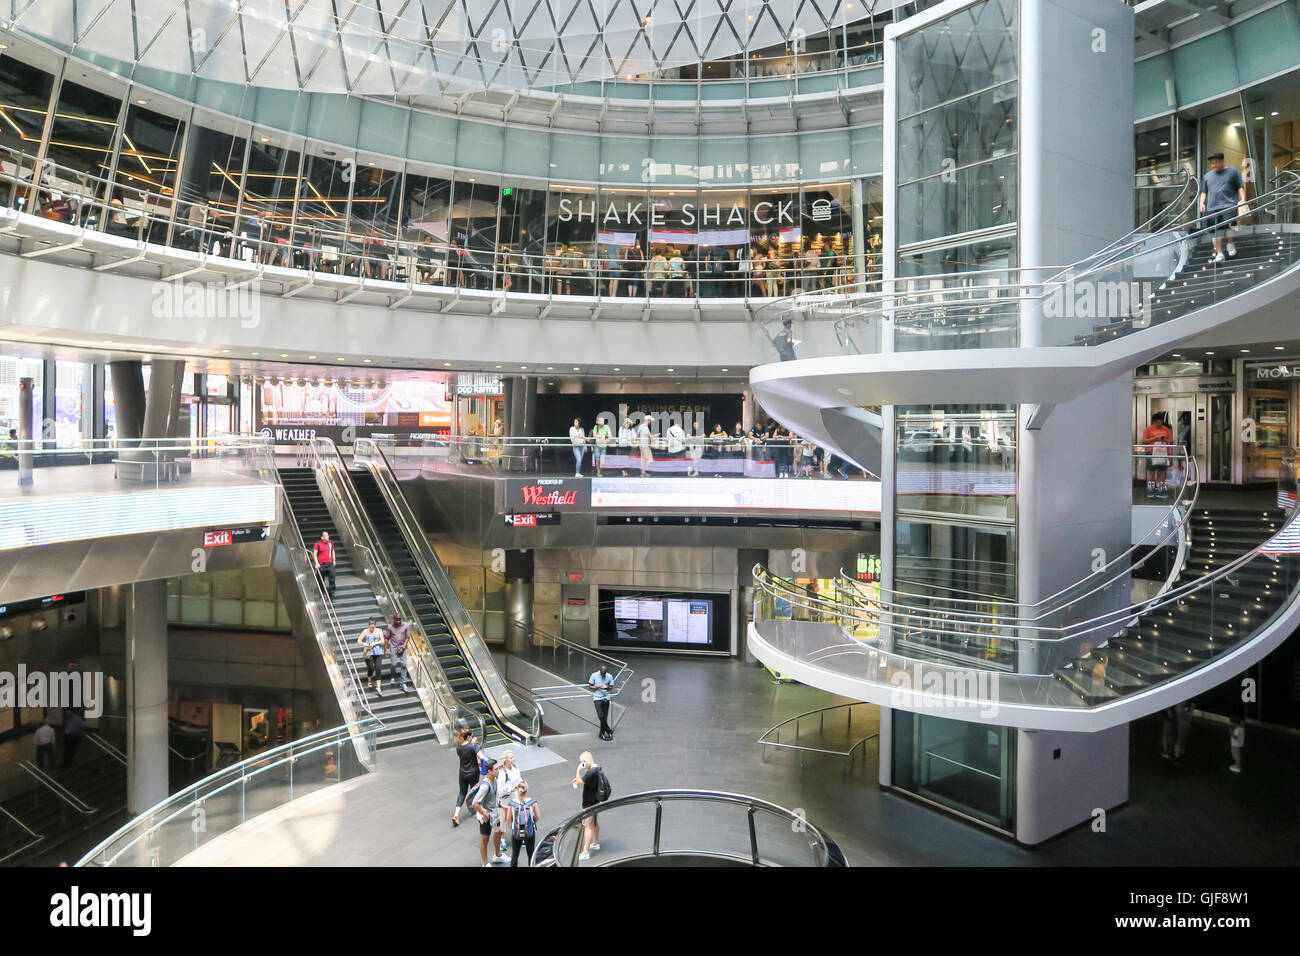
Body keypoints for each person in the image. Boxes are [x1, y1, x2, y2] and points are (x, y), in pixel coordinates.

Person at [1198, 152, 1247, 263]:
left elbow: (1240, 186)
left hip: (1229, 205)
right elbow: (1204, 192)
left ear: (1222, 161)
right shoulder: (1207, 176)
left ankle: (1230, 243)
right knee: (1214, 231)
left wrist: (1243, 200)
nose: (1214, 165)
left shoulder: (1233, 172)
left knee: (1229, 226)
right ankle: (1219, 253)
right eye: (1212, 163)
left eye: (1216, 162)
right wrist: (1202, 203)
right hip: (1212, 208)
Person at [469, 758, 509, 866]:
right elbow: (475, 803)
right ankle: (485, 863)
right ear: (489, 771)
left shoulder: (494, 779)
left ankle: (498, 855)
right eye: (496, 769)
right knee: (485, 840)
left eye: (498, 768)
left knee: (499, 831)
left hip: (495, 812)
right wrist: (484, 814)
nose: (498, 770)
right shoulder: (485, 786)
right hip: (486, 816)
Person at [571, 750, 607, 861]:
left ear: (589, 760)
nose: (583, 764)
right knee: (594, 822)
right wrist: (579, 780)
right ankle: (595, 842)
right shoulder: (596, 768)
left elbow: (580, 781)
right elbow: (583, 781)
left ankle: (585, 851)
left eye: (584, 761)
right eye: (581, 762)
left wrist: (578, 770)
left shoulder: (591, 773)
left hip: (589, 802)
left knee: (587, 826)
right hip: (595, 800)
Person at [451, 727, 483, 827]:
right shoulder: (472, 746)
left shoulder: (458, 747)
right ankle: (474, 812)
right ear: (469, 737)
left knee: (462, 793)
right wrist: (474, 744)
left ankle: (456, 814)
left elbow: (466, 749)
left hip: (462, 773)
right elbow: (481, 757)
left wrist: (472, 743)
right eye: (472, 736)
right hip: (473, 772)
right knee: (474, 792)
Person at [1140, 412, 1174, 499]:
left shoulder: (1166, 429)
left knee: (1162, 473)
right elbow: (1143, 441)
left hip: (1163, 453)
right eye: (1157, 422)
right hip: (1151, 453)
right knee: (1151, 473)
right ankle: (1150, 490)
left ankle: (1160, 491)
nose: (1159, 424)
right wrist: (1154, 439)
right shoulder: (1148, 429)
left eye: (1161, 422)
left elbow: (1171, 440)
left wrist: (1165, 439)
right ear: (1153, 422)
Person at [508, 780, 540, 867]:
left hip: (516, 832)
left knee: (515, 855)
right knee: (531, 854)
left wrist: (511, 830)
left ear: (517, 790)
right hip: (529, 831)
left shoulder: (512, 803)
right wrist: (532, 823)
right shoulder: (533, 802)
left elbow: (509, 819)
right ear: (527, 789)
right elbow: (538, 817)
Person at [496, 749, 523, 853]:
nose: (514, 759)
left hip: (515, 798)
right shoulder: (502, 773)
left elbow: (519, 778)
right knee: (504, 820)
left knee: (516, 818)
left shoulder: (515, 767)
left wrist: (521, 784)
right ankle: (502, 839)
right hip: (505, 800)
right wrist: (511, 789)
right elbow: (499, 790)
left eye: (513, 756)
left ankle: (517, 837)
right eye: (511, 757)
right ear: (506, 760)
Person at [384, 613, 412, 693]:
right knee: (394, 664)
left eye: (400, 619)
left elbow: (407, 637)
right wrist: (385, 649)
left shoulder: (405, 625)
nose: (399, 621)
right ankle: (392, 676)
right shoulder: (390, 627)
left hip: (402, 647)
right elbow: (386, 638)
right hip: (393, 647)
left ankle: (402, 683)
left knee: (403, 664)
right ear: (394, 619)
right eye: (397, 620)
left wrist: (403, 647)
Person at [357, 617, 385, 694]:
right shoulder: (365, 631)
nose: (372, 629)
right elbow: (359, 640)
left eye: (373, 627)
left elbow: (382, 640)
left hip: (378, 652)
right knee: (371, 668)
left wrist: (375, 643)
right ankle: (369, 679)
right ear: (368, 626)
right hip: (369, 653)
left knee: (378, 668)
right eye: (370, 627)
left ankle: (378, 687)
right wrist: (364, 644)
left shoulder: (379, 631)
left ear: (375, 626)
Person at [588, 664, 616, 740]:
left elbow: (611, 687)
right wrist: (597, 687)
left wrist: (607, 687)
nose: (603, 675)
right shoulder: (594, 675)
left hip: (606, 697)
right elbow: (590, 686)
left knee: (604, 717)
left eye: (605, 673)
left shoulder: (609, 676)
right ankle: (609, 730)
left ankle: (601, 734)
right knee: (600, 716)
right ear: (599, 671)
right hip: (597, 697)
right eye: (602, 673)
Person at [312, 530, 337, 600]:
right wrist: (316, 563)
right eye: (325, 535)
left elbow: (332, 550)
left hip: (330, 564)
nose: (327, 536)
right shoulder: (317, 544)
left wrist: (334, 560)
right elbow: (314, 554)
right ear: (322, 537)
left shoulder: (331, 543)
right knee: (320, 580)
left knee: (332, 578)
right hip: (321, 565)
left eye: (328, 535)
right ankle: (322, 593)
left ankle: (331, 593)